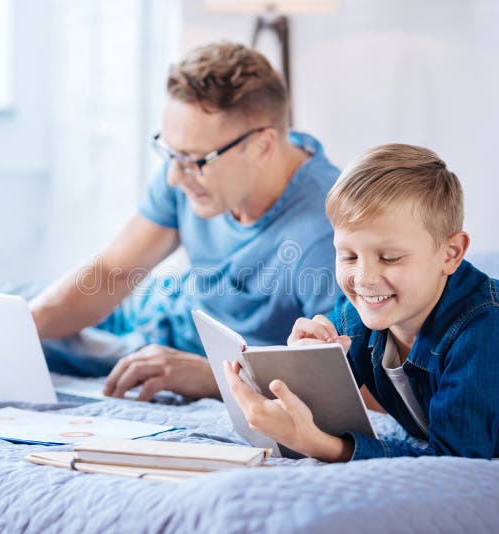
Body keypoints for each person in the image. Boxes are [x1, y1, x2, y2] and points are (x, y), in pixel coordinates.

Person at [224, 143, 499, 461]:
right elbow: (322, 410)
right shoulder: (359, 315)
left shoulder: (485, 331)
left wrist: (327, 448)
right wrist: (307, 366)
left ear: (451, 254)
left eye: (390, 257)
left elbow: (455, 461)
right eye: (348, 256)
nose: (363, 278)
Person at [29, 42, 341, 401]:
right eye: (170, 153)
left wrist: (213, 377)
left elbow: (344, 383)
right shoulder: (191, 174)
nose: (175, 177)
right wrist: (25, 325)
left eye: (195, 159)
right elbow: (111, 275)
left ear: (263, 145)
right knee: (4, 311)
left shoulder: (327, 232)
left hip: (170, 353)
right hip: (147, 317)